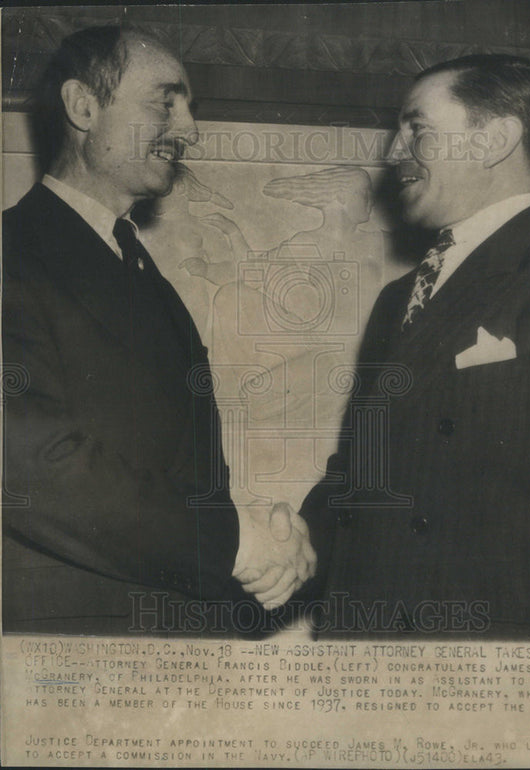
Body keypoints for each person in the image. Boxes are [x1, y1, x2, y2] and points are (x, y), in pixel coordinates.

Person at [2, 24, 315, 635]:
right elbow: (28, 461)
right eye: (165, 101)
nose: (190, 128)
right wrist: (229, 542)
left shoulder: (145, 274)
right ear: (82, 106)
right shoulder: (13, 250)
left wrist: (256, 542)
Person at [300, 54, 530, 640]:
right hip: (362, 639)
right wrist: (288, 544)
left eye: (418, 129)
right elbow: (362, 470)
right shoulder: (396, 298)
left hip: (482, 654)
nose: (392, 151)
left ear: (494, 140)